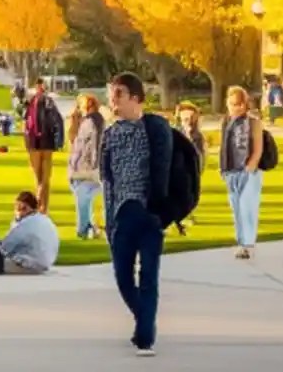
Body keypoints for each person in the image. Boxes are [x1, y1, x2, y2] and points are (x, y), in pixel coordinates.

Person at [102, 72, 173, 358]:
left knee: (149, 276)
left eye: (119, 94)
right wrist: (108, 220)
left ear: (135, 98)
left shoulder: (153, 130)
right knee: (122, 276)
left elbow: (171, 167)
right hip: (122, 213)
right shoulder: (110, 135)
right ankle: (145, 319)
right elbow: (106, 179)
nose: (113, 101)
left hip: (149, 212)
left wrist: (166, 209)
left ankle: (145, 337)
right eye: (112, 95)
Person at [220, 86, 266, 259]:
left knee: (248, 207)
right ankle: (241, 242)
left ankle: (247, 244)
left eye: (239, 104)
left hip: (249, 171)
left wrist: (250, 167)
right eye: (233, 104)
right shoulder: (226, 122)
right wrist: (223, 169)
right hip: (231, 171)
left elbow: (258, 149)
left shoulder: (253, 122)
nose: (236, 108)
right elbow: (224, 149)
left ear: (245, 104)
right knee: (237, 209)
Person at [67, 94, 105, 239]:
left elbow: (92, 145)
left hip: (86, 167)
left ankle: (83, 228)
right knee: (84, 197)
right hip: (87, 166)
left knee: (82, 196)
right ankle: (88, 225)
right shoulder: (94, 121)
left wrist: (93, 166)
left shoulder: (91, 122)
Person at [23, 78, 61, 214]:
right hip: (39, 141)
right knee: (41, 178)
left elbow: (25, 122)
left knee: (43, 178)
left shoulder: (40, 101)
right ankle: (42, 207)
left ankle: (41, 205)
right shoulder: (36, 101)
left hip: (41, 140)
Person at [0, 191, 60, 274]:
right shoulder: (46, 220)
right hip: (46, 264)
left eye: (21, 208)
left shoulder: (24, 224)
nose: (19, 212)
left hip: (29, 266)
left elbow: (4, 247)